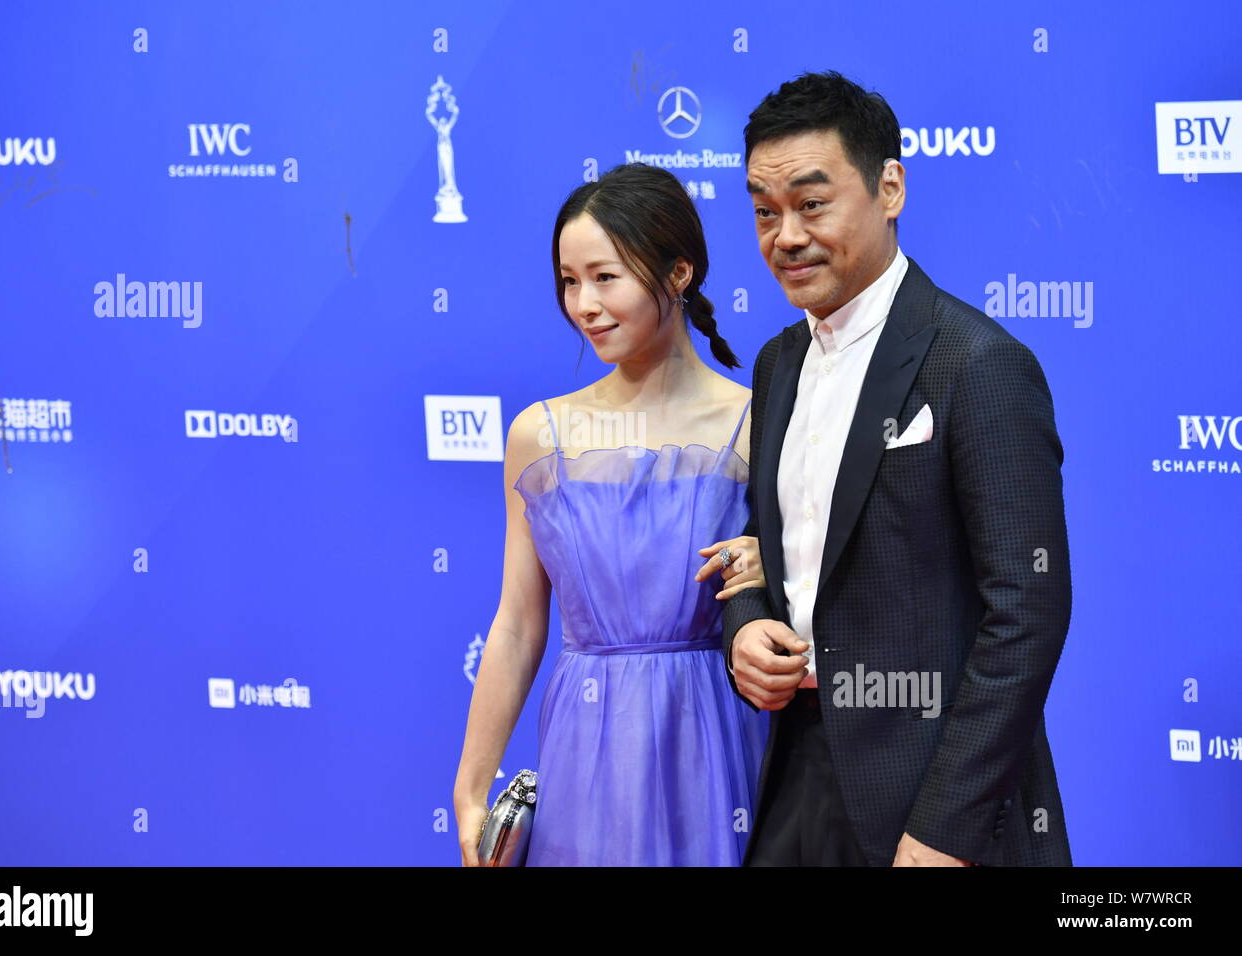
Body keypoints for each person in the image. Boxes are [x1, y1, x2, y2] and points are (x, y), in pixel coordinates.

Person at [723, 70, 1073, 867]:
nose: (786, 235)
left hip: (940, 802)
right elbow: (764, 544)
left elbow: (1027, 610)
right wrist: (745, 624)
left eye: (813, 203)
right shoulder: (778, 364)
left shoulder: (977, 363)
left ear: (890, 188)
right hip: (797, 777)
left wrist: (945, 830)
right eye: (764, 211)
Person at [455, 163, 770, 866]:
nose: (584, 304)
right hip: (585, 748)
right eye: (570, 281)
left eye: (606, 277)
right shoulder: (541, 436)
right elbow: (517, 623)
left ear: (679, 271)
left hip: (718, 742)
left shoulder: (755, 424)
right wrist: (472, 785)